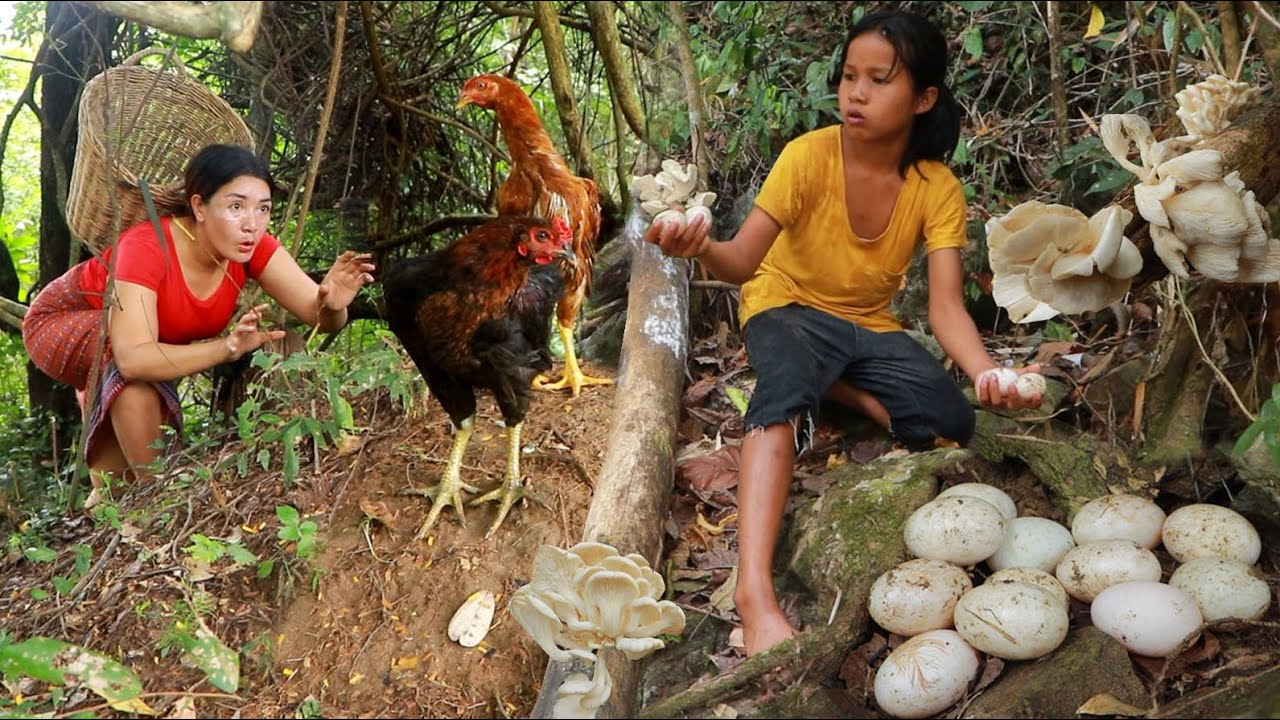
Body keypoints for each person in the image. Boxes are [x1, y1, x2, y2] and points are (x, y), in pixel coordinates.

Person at [645, 10, 1044, 656]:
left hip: (868, 328)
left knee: (949, 420)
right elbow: (743, 263)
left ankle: (836, 390)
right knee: (781, 393)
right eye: (849, 77)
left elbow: (945, 310)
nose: (856, 93)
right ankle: (755, 594)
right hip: (785, 308)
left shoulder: (936, 188)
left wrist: (985, 374)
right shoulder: (807, 158)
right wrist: (701, 249)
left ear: (923, 98)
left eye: (879, 80)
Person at [23, 143, 375, 506]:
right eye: (236, 206)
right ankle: (162, 500)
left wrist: (332, 302)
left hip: (138, 342)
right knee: (134, 375)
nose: (251, 223)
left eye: (263, 208)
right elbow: (133, 360)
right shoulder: (146, 246)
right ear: (199, 207)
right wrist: (228, 348)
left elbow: (319, 315)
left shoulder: (250, 244)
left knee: (116, 485)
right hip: (64, 319)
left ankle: (110, 489)